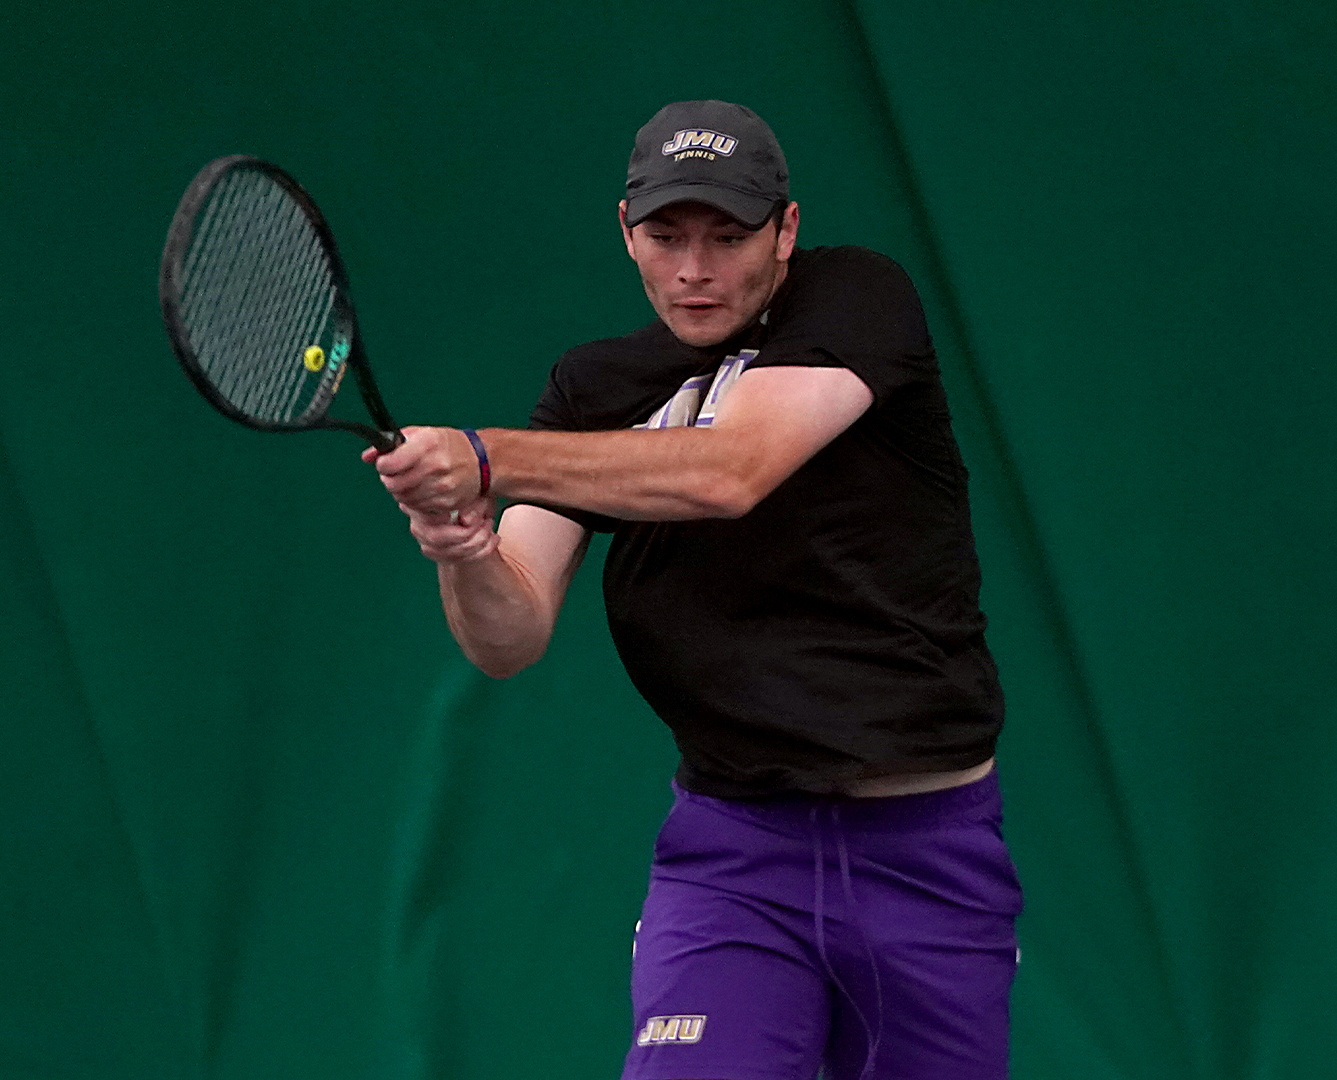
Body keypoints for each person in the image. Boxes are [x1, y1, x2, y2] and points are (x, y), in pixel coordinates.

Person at [370, 100, 1019, 1080]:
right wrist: (462, 547)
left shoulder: (858, 299)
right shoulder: (592, 392)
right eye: (667, 235)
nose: (695, 267)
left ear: (786, 231)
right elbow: (510, 634)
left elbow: (730, 471)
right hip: (734, 861)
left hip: (926, 859)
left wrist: (484, 456)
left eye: (728, 236)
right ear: (626, 232)